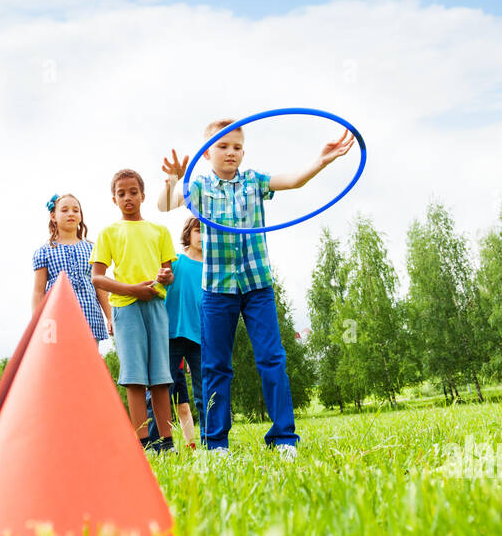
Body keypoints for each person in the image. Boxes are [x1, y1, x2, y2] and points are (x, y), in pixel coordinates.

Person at [159, 120, 355, 458]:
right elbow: (164, 205)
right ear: (208, 152)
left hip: (257, 285)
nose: (230, 151)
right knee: (216, 365)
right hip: (217, 289)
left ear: (243, 152)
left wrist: (322, 161)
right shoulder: (200, 187)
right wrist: (176, 180)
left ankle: (284, 439)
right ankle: (217, 443)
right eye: (223, 146)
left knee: (272, 358)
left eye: (237, 146)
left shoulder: (253, 182)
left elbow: (293, 180)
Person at [90, 169, 177, 452]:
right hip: (125, 310)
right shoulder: (109, 233)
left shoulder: (159, 231)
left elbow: (169, 273)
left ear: (143, 195)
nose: (128, 198)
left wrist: (164, 278)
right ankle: (142, 445)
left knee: (161, 377)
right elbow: (98, 277)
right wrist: (132, 289)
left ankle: (167, 442)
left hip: (155, 307)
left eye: (133, 192)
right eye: (121, 194)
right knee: (135, 378)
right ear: (114, 199)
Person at [144, 215, 204, 449]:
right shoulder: (176, 262)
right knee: (160, 390)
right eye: (199, 230)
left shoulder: (212, 268)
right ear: (188, 233)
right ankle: (156, 445)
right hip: (169, 335)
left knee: (205, 391)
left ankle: (212, 442)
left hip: (200, 337)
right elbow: (157, 288)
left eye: (209, 232)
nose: (203, 236)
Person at [31, 193, 113, 341]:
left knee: (87, 363)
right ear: (53, 216)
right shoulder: (44, 251)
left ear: (80, 216)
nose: (71, 213)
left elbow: (100, 289)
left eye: (76, 210)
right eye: (64, 210)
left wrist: (110, 317)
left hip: (90, 318)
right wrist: (37, 323)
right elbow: (38, 292)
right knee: (59, 363)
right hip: (56, 320)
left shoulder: (92, 249)